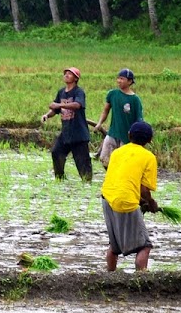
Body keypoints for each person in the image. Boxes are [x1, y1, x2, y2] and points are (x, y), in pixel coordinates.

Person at [100, 121, 159, 271]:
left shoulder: (117, 152)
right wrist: (151, 202)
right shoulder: (148, 157)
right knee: (145, 246)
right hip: (125, 201)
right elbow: (144, 189)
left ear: (129, 135)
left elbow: (124, 180)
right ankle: (141, 278)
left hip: (107, 198)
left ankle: (110, 276)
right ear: (149, 140)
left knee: (114, 245)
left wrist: (142, 201)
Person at [40, 67, 92, 182]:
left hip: (78, 134)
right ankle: (60, 179)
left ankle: (87, 184)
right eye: (65, 73)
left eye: (70, 74)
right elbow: (55, 109)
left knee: (82, 162)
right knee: (56, 152)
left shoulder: (79, 92)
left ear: (76, 78)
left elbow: (77, 105)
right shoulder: (61, 92)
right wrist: (47, 115)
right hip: (66, 133)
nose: (66, 75)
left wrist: (59, 105)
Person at [94, 68, 144, 168]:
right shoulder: (112, 94)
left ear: (129, 81)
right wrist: (99, 123)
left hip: (127, 137)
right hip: (112, 133)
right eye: (118, 78)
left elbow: (139, 120)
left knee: (123, 163)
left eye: (122, 79)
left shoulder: (135, 100)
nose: (119, 81)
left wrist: (136, 136)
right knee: (104, 159)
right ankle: (111, 175)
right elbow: (106, 110)